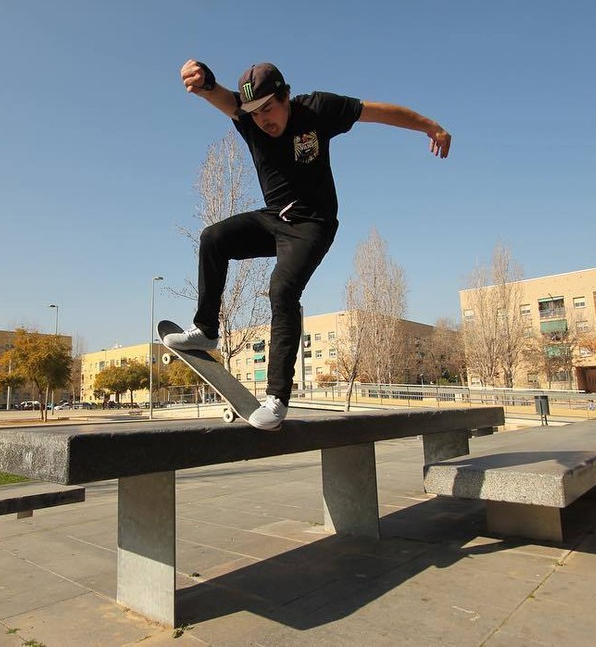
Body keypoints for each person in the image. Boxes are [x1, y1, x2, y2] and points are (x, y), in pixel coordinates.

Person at [163, 60, 452, 430]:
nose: (263, 120)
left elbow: (380, 112)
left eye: (269, 108)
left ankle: (278, 398)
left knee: (281, 289)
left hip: (313, 226)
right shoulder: (248, 118)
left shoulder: (318, 109)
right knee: (213, 238)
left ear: (285, 95)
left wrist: (432, 127)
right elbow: (220, 96)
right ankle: (205, 331)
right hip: (274, 218)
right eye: (253, 113)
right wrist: (204, 81)